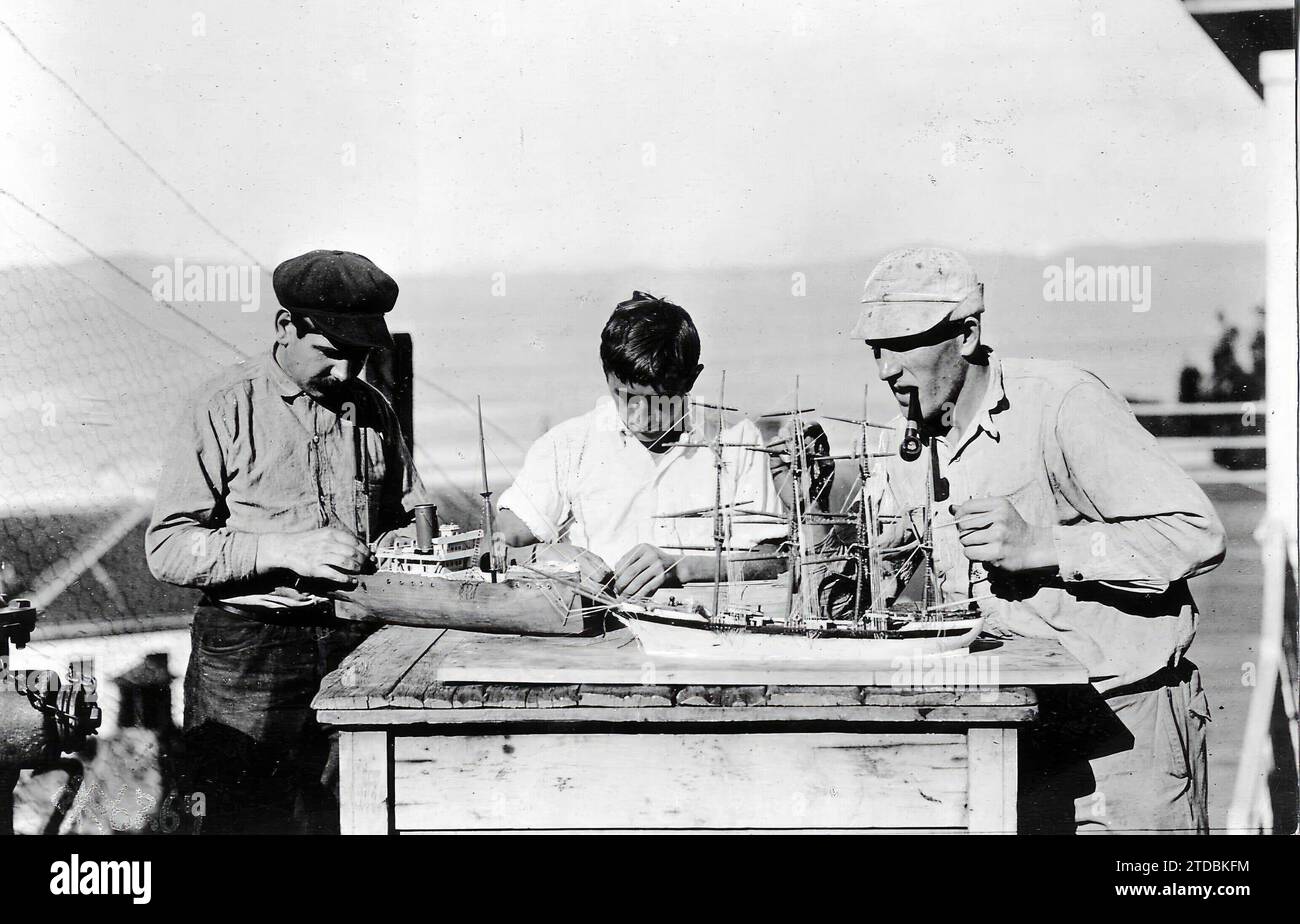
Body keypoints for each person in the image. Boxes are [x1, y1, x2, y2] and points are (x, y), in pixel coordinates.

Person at [832, 247, 1226, 833]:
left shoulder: (1062, 403)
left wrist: (1045, 545)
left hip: (1122, 725)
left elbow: (1195, 533)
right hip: (1007, 732)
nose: (886, 369)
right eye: (876, 350)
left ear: (966, 335)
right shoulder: (903, 444)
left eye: (904, 344)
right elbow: (885, 570)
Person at [146, 250, 424, 833]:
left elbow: (403, 517)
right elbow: (168, 548)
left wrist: (406, 540)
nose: (346, 375)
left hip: (355, 638)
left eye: (359, 358)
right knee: (237, 818)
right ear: (284, 328)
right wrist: (284, 550)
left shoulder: (374, 411)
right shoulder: (222, 408)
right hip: (248, 652)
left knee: (351, 813)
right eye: (329, 353)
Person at [495, 291, 788, 597]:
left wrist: (683, 568)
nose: (643, 416)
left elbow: (774, 560)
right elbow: (506, 536)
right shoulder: (567, 444)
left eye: (660, 400)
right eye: (625, 397)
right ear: (607, 375)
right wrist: (551, 555)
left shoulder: (738, 440)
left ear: (691, 379)